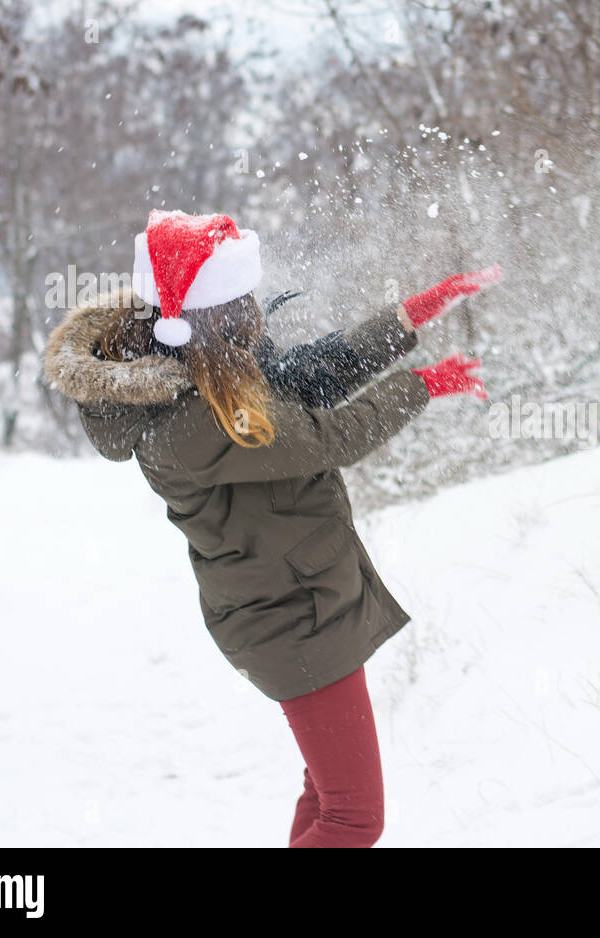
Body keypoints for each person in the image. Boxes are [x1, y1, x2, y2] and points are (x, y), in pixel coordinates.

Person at [42, 209, 502, 847]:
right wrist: (421, 385)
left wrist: (405, 321)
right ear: (203, 314)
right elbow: (329, 435)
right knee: (354, 819)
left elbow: (305, 378)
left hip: (298, 604)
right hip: (292, 620)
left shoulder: (205, 367)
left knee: (327, 797)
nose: (253, 311)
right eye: (238, 301)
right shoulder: (190, 423)